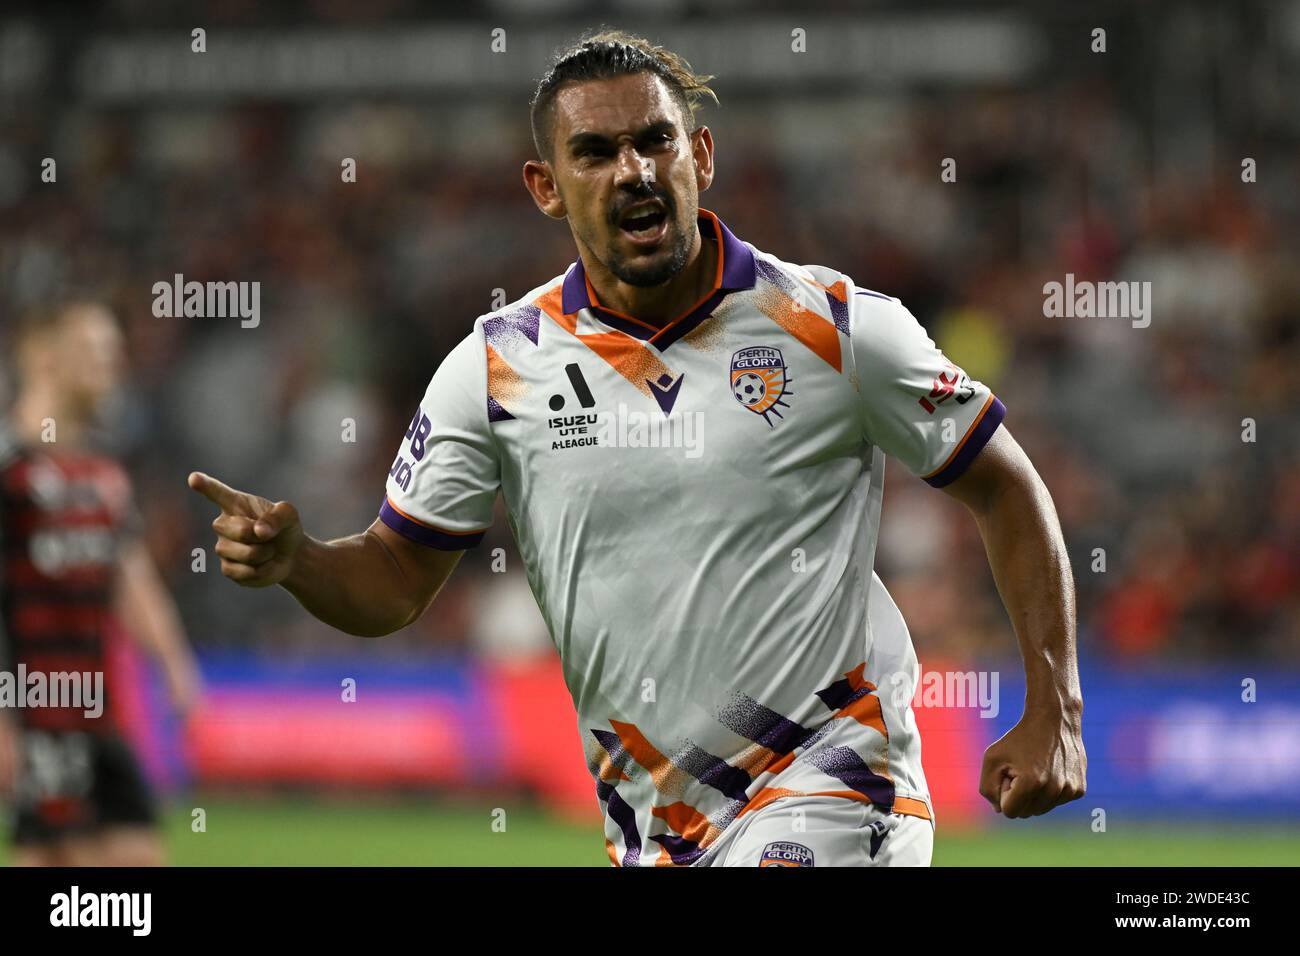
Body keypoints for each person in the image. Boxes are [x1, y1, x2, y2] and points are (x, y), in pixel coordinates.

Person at [189, 30, 1084, 867]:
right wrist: (299, 560)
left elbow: (1006, 486)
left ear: (699, 157)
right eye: (596, 152)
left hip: (836, 776)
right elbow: (393, 578)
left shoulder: (833, 328)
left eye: (656, 141)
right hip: (654, 824)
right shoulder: (496, 369)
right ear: (546, 186)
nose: (634, 170)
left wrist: (1056, 705)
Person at [1, 300, 202, 866]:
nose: (110, 366)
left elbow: (130, 579)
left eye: (113, 353)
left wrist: (176, 667)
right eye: (93, 351)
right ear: (43, 358)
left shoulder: (103, 470)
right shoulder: (10, 469)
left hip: (101, 717)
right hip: (36, 715)